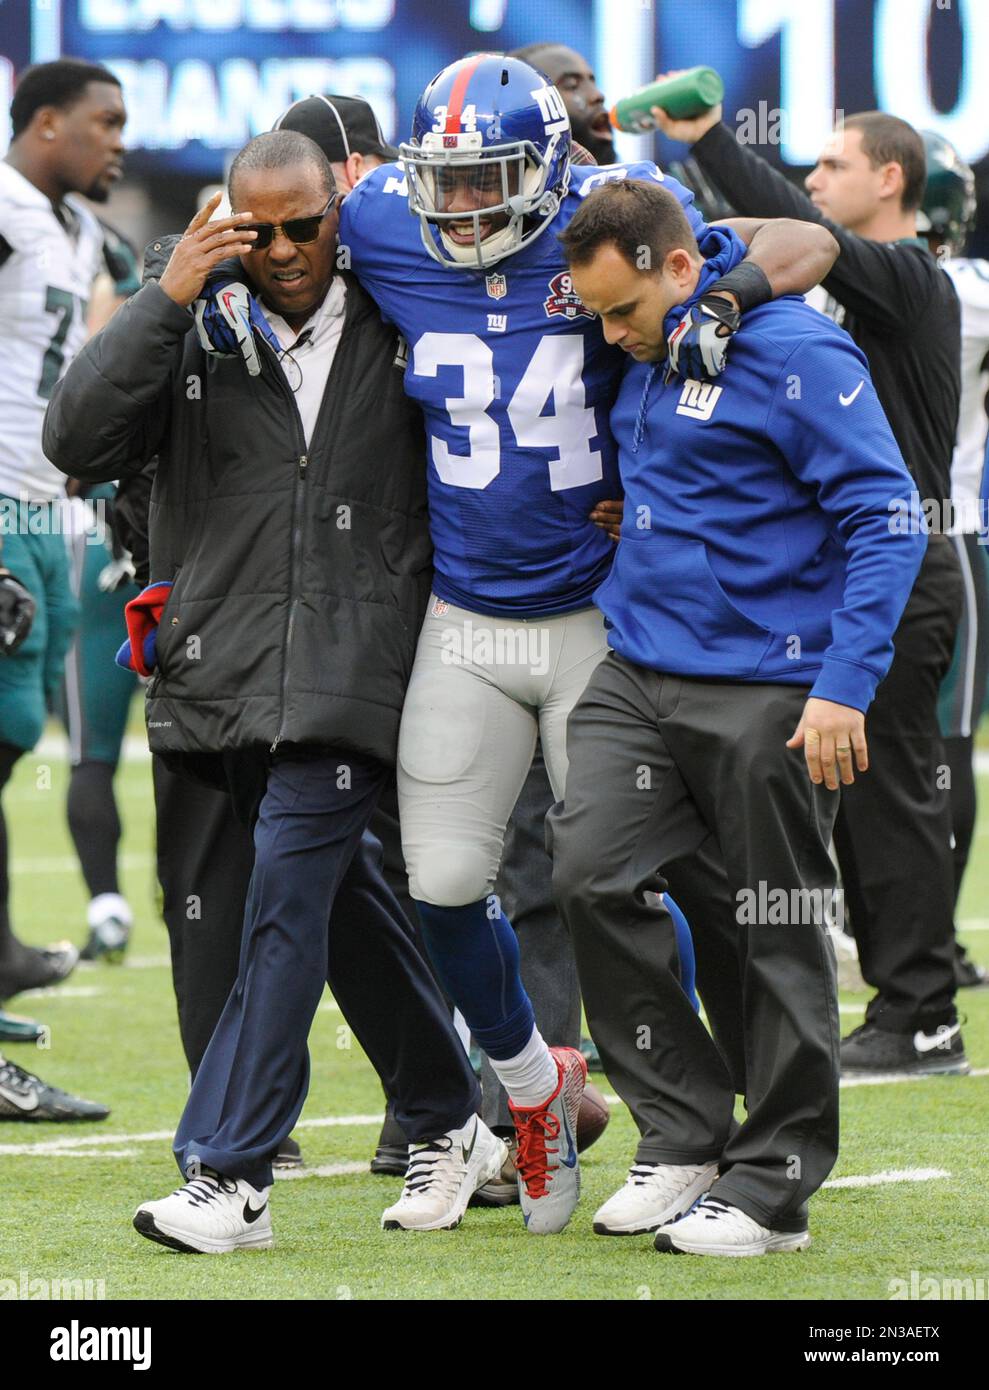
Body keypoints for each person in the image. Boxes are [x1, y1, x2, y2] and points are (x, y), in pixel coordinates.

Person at [306, 55, 835, 1232]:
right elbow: (273, 226)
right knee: (448, 876)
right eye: (440, 179)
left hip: (606, 612)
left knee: (641, 874)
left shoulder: (610, 213)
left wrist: (722, 301)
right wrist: (227, 275)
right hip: (466, 609)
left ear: (548, 170)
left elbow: (803, 244)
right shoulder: (385, 218)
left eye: (484, 179)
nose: (458, 206)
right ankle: (533, 1095)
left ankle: (699, 1133)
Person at [44, 129, 501, 1252]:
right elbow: (73, 437)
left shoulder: (404, 309)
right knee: (340, 900)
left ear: (338, 214)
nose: (287, 250)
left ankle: (229, 1171)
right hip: (221, 662)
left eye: (305, 226)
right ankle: (455, 1111)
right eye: (261, 231)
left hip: (358, 657)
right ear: (224, 222)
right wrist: (164, 294)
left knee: (284, 894)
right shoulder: (190, 320)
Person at [551, 176, 926, 1253]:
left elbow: (885, 515)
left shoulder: (796, 352)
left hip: (770, 682)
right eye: (597, 317)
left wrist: (844, 683)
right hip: (639, 669)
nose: (612, 337)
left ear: (681, 271)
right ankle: (683, 1136)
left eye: (623, 312)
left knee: (770, 927)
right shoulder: (650, 338)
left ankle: (773, 1188)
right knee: (584, 873)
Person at [653, 99, 968, 1076]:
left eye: (833, 163)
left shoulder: (909, 278)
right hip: (846, 573)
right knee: (850, 795)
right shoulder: (848, 286)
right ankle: (892, 992)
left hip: (901, 565)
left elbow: (804, 233)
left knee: (893, 799)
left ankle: (919, 1011)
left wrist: (705, 139)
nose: (815, 180)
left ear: (891, 179)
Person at [0, 58, 128, 1116]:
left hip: (48, 514)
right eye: (104, 122)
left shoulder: (71, 228)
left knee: (7, 748)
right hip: (3, 512)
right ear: (46, 124)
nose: (118, 142)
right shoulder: (3, 204)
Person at [917, 132, 989, 991]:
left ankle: (927, 935)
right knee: (929, 743)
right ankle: (926, 933)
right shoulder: (966, 288)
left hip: (944, 527)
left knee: (936, 741)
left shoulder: (951, 289)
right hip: (938, 528)